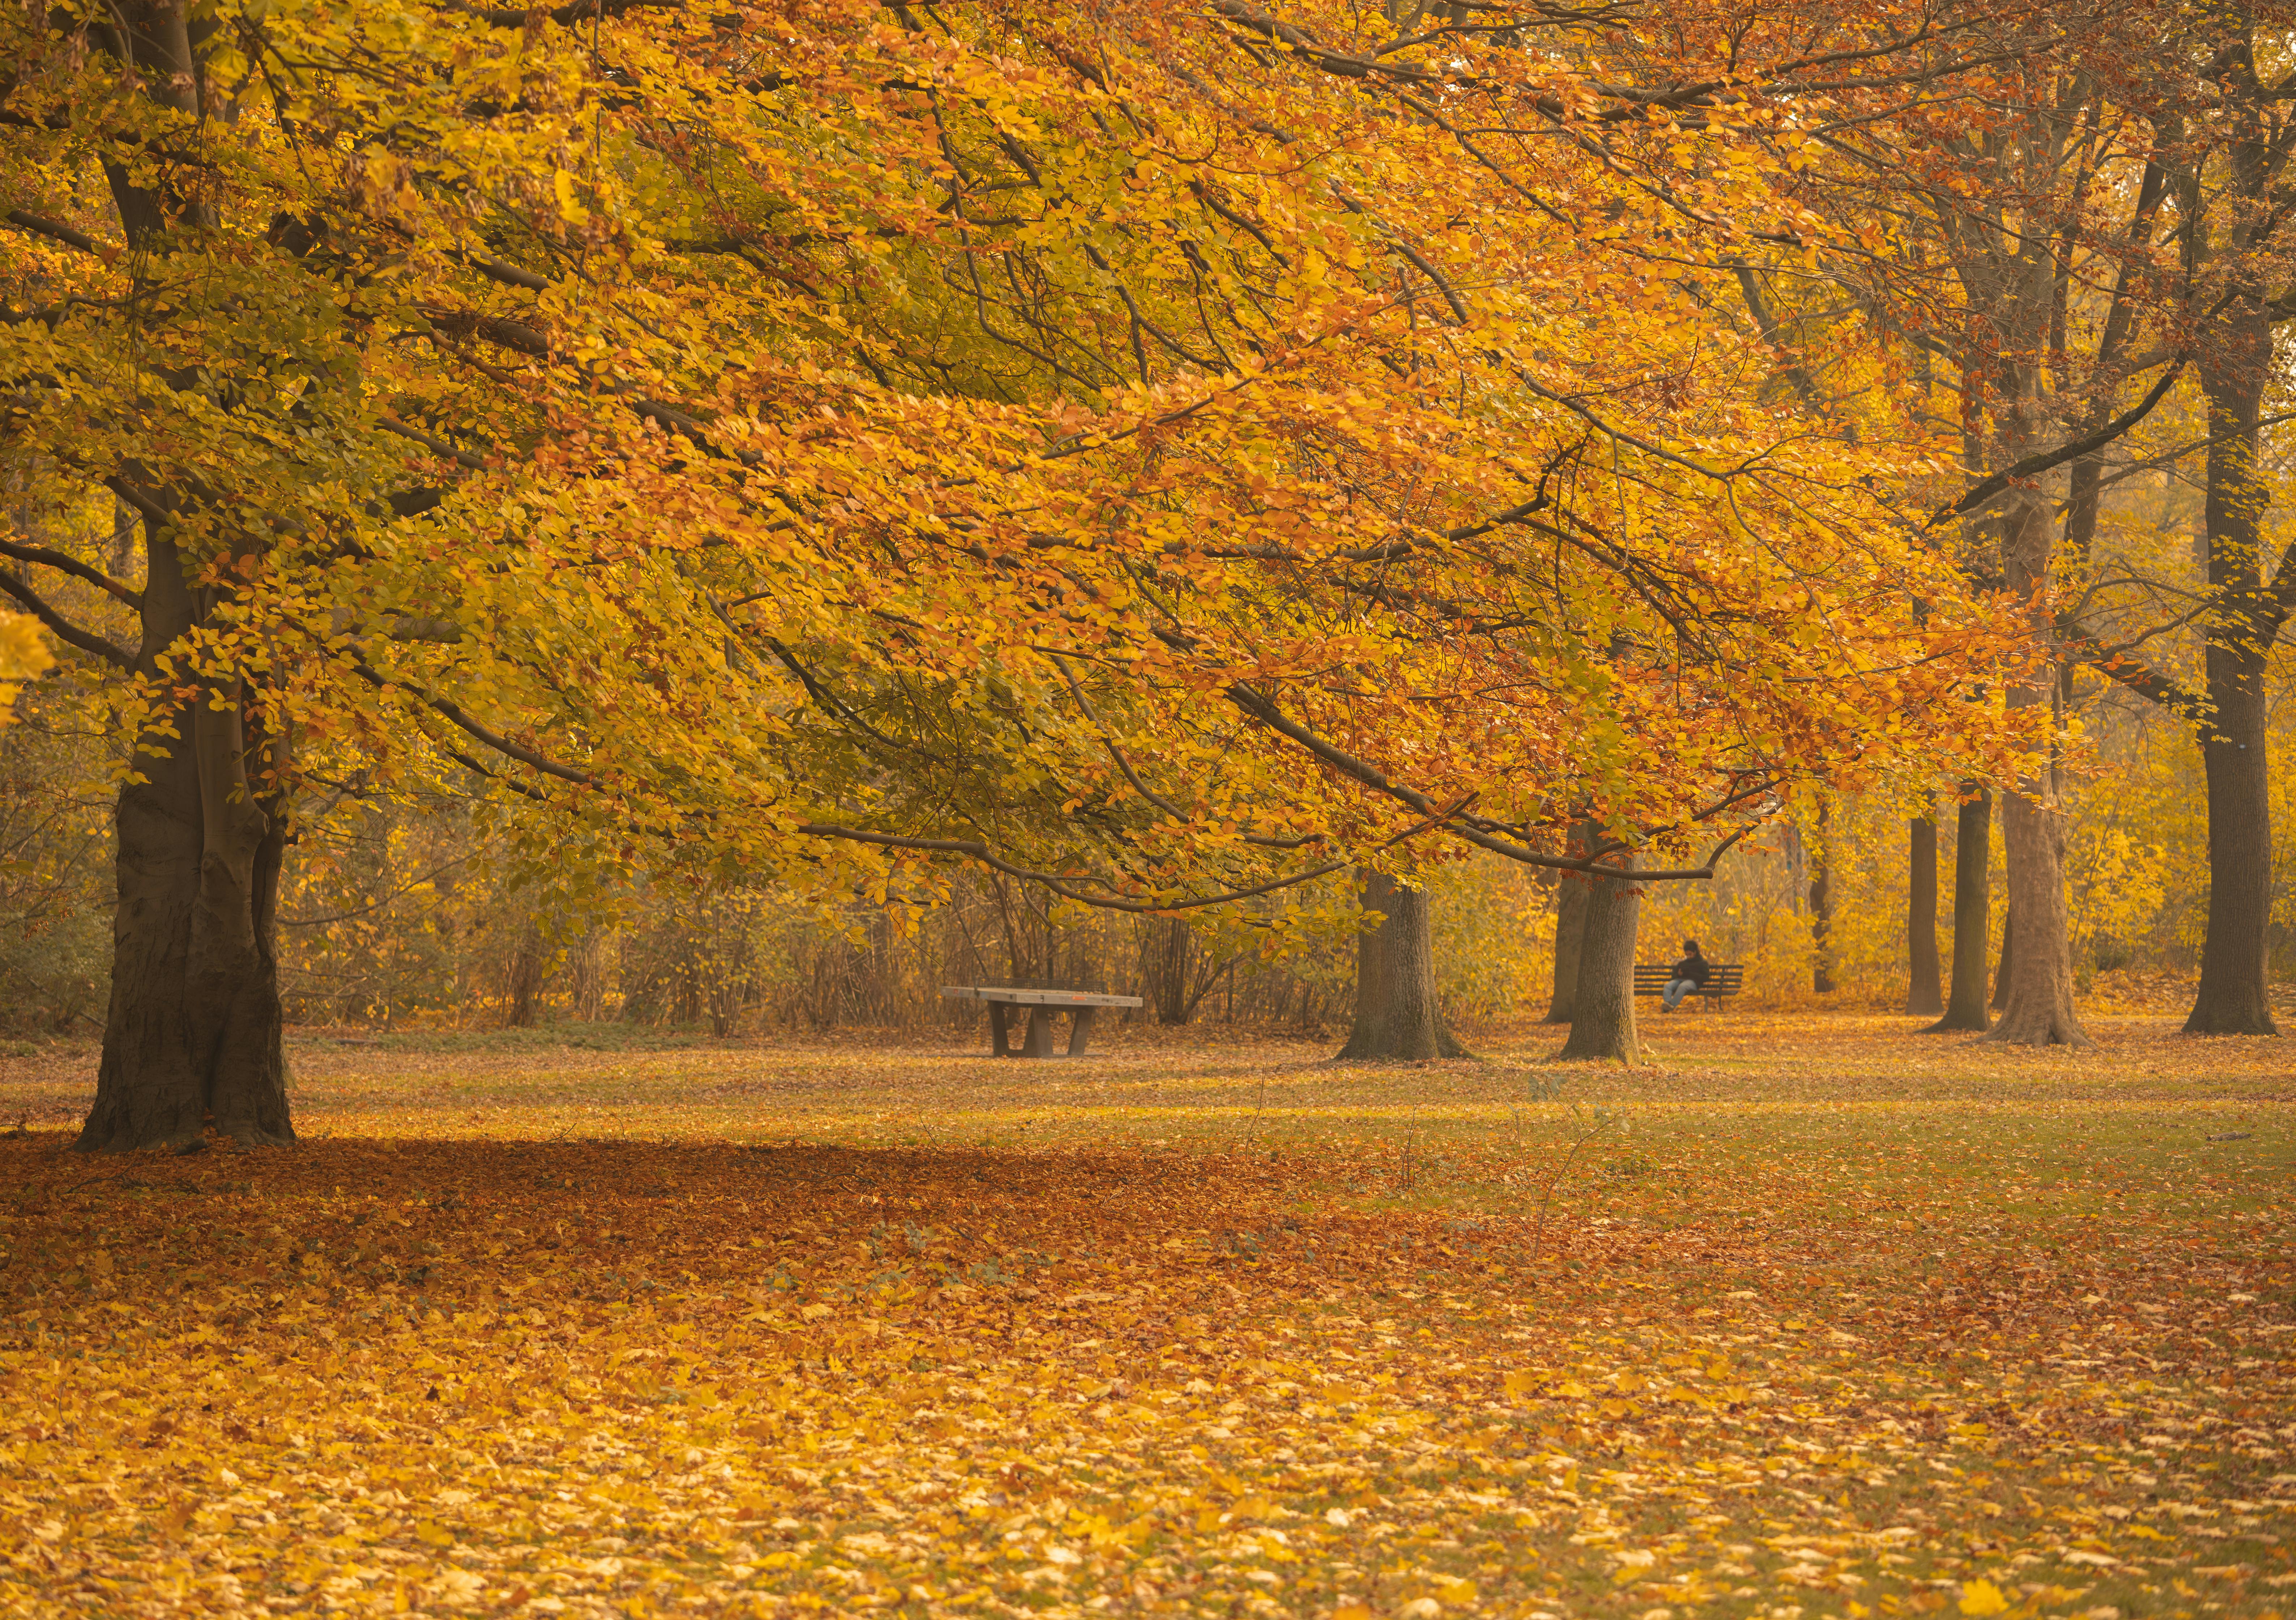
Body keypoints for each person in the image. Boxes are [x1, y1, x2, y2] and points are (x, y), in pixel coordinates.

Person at [1661, 939, 1710, 1011]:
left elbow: (1706, 977)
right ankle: (1667, 1004)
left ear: (1695, 952)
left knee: (1683, 986)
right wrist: (1678, 974)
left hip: (1694, 983)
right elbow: (1673, 976)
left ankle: (1672, 1006)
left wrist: (1690, 974)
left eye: (1690, 954)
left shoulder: (1702, 963)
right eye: (1687, 955)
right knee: (1668, 986)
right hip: (1679, 980)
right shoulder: (1683, 963)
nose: (1688, 957)